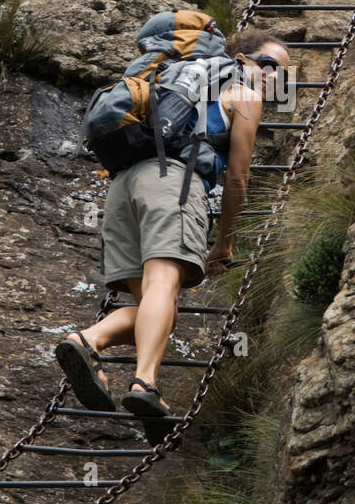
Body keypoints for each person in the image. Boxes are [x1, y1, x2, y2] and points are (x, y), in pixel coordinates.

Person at [55, 29, 291, 440]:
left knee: (157, 306)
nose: (276, 78)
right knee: (164, 286)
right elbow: (237, 177)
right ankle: (144, 384)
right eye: (270, 65)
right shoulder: (243, 94)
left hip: (123, 189)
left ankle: (88, 339)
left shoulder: (171, 82)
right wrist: (225, 242)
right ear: (241, 57)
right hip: (173, 184)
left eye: (283, 75)